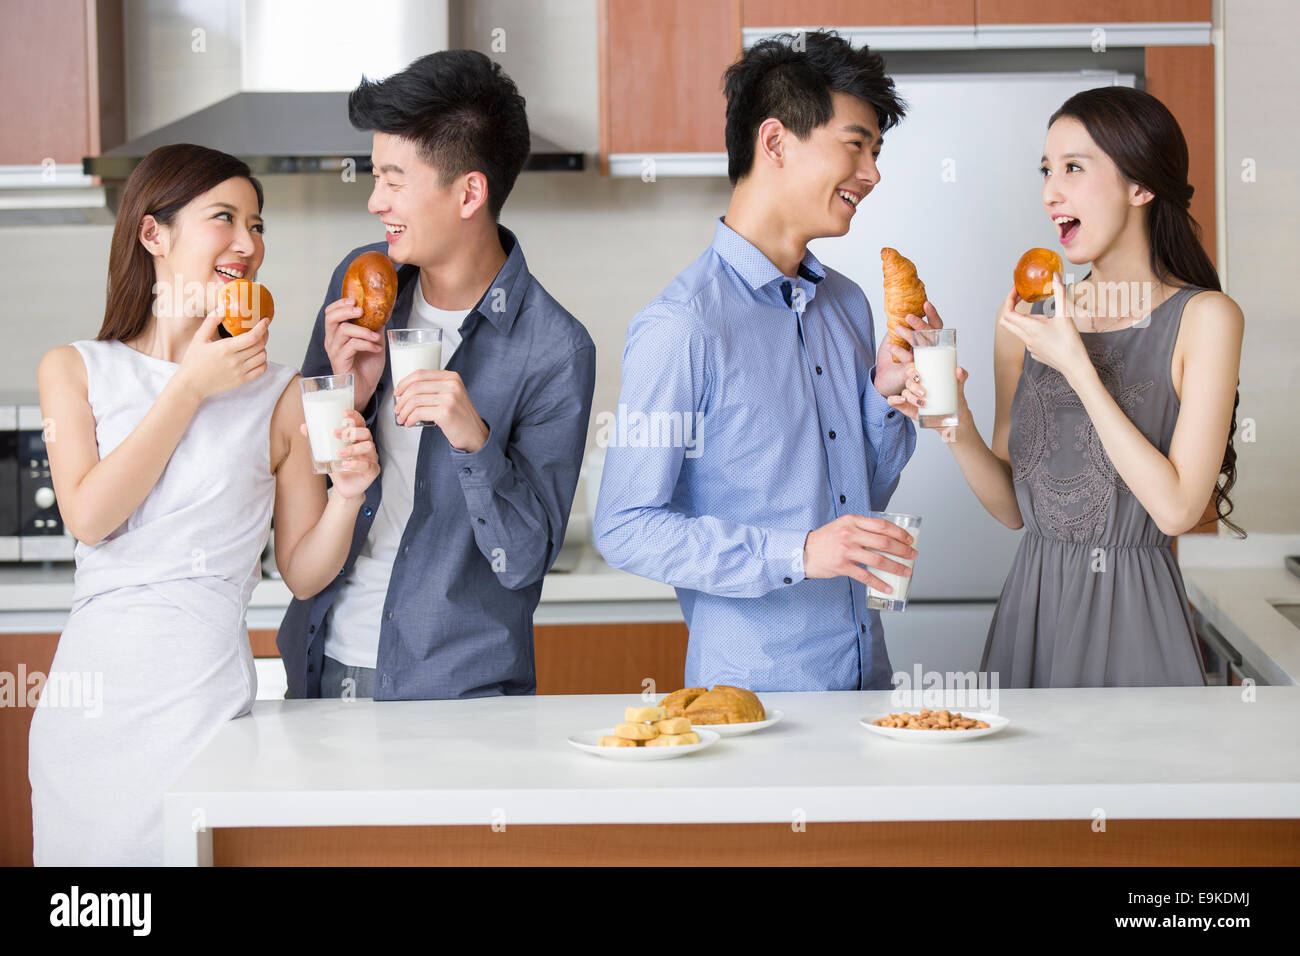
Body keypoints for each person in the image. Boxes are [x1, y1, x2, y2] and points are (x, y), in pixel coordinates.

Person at [28, 144, 380, 865]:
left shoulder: (280, 393)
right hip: (89, 721)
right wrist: (189, 386)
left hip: (207, 718)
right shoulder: (75, 370)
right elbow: (92, 518)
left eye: (257, 224)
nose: (248, 244)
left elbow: (304, 572)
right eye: (224, 219)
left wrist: (347, 497)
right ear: (153, 235)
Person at [595, 32, 938, 692]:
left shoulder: (848, 306)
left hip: (868, 680)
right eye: (856, 145)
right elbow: (626, 527)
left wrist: (882, 398)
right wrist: (800, 553)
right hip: (753, 705)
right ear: (776, 142)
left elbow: (859, 498)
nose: (872, 173)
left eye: (876, 151)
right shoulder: (683, 326)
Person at [896, 86, 1245, 687]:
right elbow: (1013, 509)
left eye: (1074, 169)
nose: (1050, 192)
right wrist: (949, 418)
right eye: (1046, 170)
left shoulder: (1206, 318)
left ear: (1141, 187)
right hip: (1031, 615)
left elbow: (1177, 508)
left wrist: (1077, 366)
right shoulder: (1027, 321)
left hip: (1137, 622)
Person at [277, 50, 595, 700]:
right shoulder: (362, 283)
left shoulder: (555, 350)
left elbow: (525, 562)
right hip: (326, 660)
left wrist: (475, 440)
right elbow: (310, 472)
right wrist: (345, 396)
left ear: (469, 192)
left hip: (460, 692)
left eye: (394, 179)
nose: (374, 200)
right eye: (374, 176)